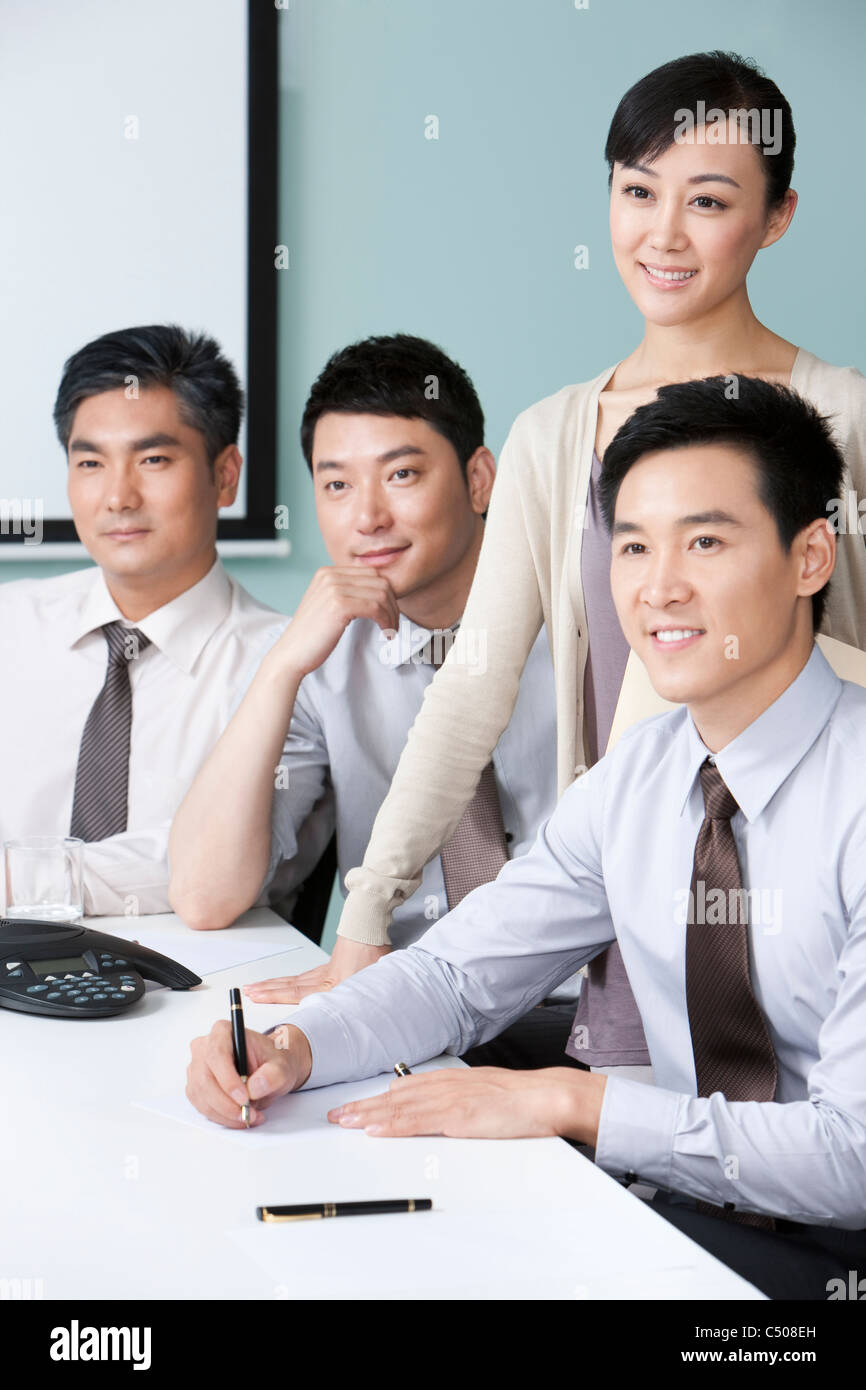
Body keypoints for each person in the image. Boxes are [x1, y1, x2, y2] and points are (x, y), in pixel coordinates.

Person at [186, 376, 866, 1300]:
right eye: (631, 546)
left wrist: (572, 1102)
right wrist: (291, 1048)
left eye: (705, 540)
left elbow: (854, 1159)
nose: (658, 586)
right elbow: (456, 974)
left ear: (811, 557)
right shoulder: (638, 778)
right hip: (681, 1225)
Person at [274, 51, 866, 1087]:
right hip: (628, 900)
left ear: (774, 218)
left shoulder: (841, 416)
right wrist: (364, 925)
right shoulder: (553, 434)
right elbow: (473, 684)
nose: (662, 234)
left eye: (708, 200)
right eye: (636, 193)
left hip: (805, 910)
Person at [169, 334, 572, 1066]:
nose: (367, 517)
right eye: (336, 486)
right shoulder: (327, 658)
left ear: (481, 480)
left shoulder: (586, 630)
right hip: (409, 1026)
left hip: (585, 1021)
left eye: (402, 475)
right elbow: (203, 895)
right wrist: (282, 666)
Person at [0, 324, 282, 917]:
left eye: (153, 459)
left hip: (196, 986)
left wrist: (17, 881)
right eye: (91, 463)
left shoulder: (284, 659)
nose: (118, 497)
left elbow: (214, 866)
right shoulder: (11, 624)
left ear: (225, 475)